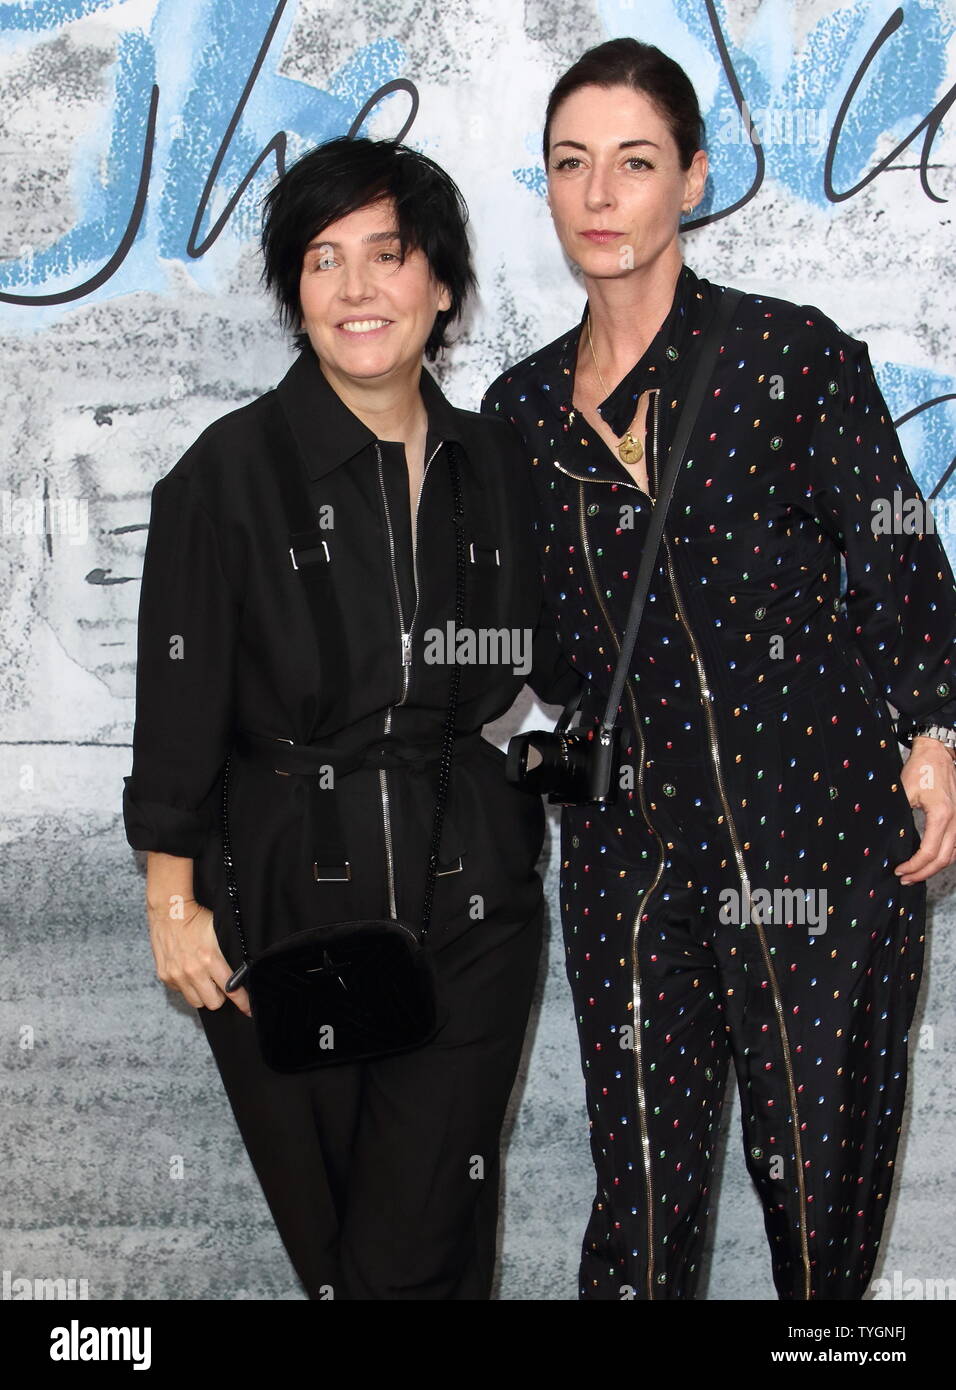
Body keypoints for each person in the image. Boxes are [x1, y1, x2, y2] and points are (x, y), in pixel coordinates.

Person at [481, 37, 956, 1301]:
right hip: (628, 852)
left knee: (818, 1189)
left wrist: (932, 731)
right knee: (639, 1198)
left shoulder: (787, 357)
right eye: (570, 164)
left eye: (632, 163)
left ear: (690, 179)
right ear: (544, 187)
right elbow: (510, 648)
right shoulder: (516, 414)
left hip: (815, 835)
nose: (598, 194)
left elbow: (896, 549)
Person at [122, 135, 577, 1300]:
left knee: (411, 1242)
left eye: (390, 253)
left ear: (440, 285)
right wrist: (171, 902)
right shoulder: (221, 479)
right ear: (294, 292)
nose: (359, 289)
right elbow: (178, 711)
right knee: (343, 1258)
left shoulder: (500, 463)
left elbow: (552, 662)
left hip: (471, 902)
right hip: (277, 915)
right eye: (325, 261)